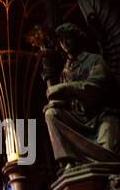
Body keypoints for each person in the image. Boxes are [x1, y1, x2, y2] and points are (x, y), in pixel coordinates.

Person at [44, 22, 120, 168]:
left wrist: (64, 87)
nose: (64, 43)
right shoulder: (66, 71)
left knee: (107, 153)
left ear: (77, 38)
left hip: (101, 115)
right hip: (80, 119)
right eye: (61, 40)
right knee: (51, 114)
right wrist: (56, 103)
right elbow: (67, 103)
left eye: (68, 38)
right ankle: (68, 161)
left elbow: (95, 86)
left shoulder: (94, 60)